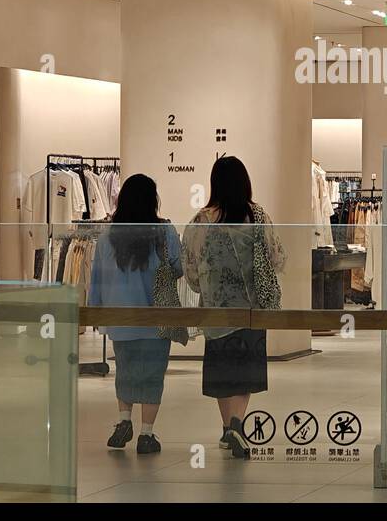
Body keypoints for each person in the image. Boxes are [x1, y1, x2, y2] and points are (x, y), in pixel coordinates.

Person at [183, 156, 286, 460]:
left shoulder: (202, 220)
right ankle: (236, 423)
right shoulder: (257, 216)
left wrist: (202, 285)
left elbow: (190, 265)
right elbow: (277, 257)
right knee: (245, 372)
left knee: (222, 373)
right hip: (252, 309)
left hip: (216, 310)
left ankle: (229, 427)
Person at [88, 174, 182, 454]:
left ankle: (123, 420)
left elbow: (97, 278)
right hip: (155, 319)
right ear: (153, 199)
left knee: (125, 372)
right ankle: (147, 434)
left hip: (121, 318)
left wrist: (97, 314)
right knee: (153, 376)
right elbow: (177, 268)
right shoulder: (164, 232)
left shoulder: (108, 237)